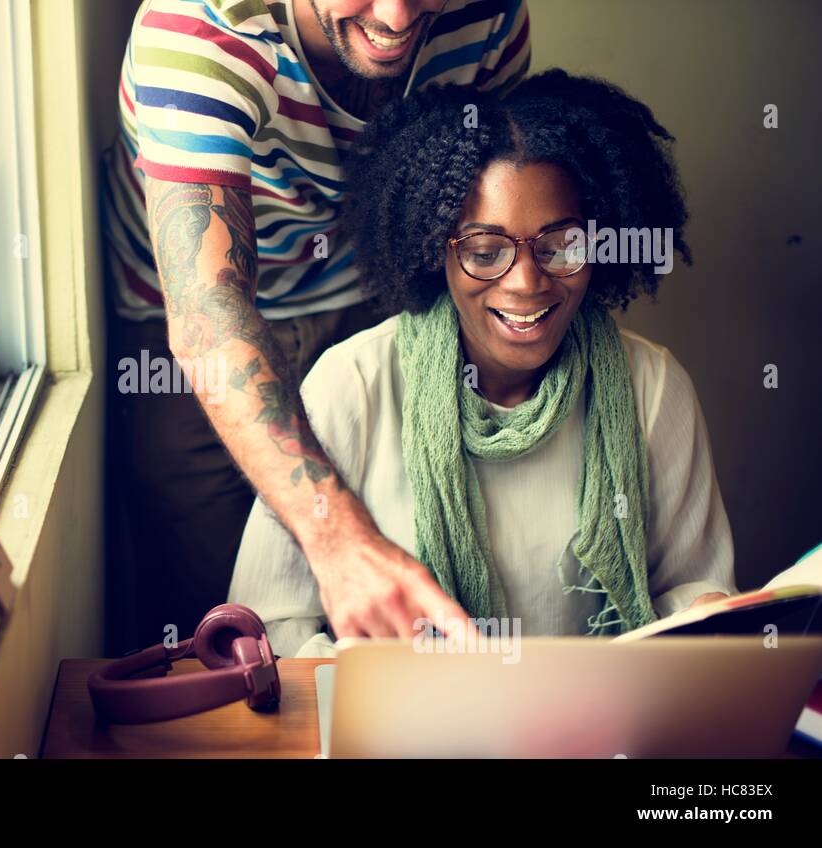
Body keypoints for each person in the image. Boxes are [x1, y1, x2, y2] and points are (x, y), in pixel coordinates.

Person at [229, 70, 737, 656]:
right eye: (485, 250)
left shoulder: (652, 388)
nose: (526, 281)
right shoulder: (352, 385)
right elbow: (271, 623)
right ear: (432, 247)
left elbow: (688, 585)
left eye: (560, 243)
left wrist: (707, 611)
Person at [103, 0, 532, 651]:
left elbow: (501, 193)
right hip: (193, 331)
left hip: (377, 295)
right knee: (215, 633)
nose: (395, 17)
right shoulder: (195, 29)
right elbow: (208, 315)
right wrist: (340, 539)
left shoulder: (491, 14)